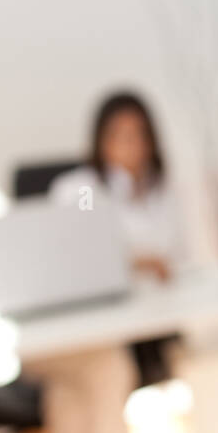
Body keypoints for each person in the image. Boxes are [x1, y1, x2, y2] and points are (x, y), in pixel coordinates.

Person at [50, 91, 183, 388]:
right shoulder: (76, 190)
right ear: (101, 141)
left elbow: (176, 259)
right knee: (102, 376)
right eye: (120, 136)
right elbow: (69, 264)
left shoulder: (163, 190)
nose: (131, 146)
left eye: (138, 135)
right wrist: (136, 263)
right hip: (97, 327)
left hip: (155, 318)